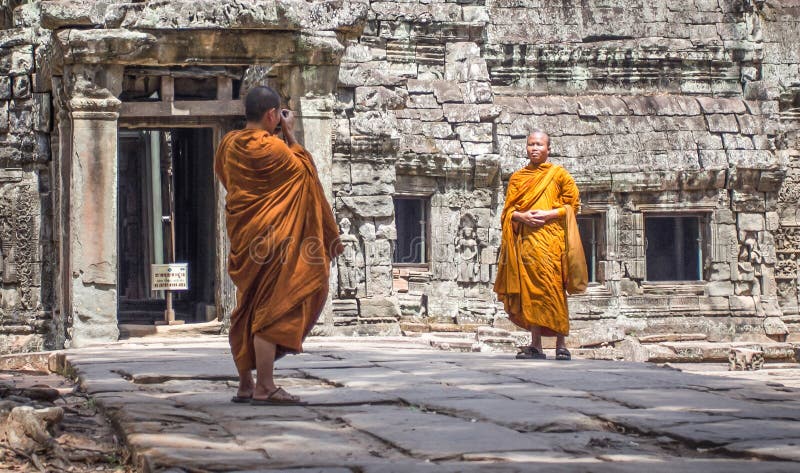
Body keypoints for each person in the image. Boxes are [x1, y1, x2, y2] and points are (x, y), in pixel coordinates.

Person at [214, 86, 343, 404]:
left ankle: (245, 383)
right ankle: (265, 386)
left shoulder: (228, 144)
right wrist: (291, 134)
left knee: (247, 305)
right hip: (275, 242)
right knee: (270, 310)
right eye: (278, 116)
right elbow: (306, 173)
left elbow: (228, 180)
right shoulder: (275, 149)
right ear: (272, 115)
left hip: (246, 238)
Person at [493, 130, 580, 361]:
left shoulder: (559, 175)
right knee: (530, 292)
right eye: (531, 144)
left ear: (548, 149)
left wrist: (548, 214)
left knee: (554, 291)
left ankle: (561, 345)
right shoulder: (518, 178)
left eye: (539, 145)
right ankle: (536, 345)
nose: (534, 148)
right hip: (527, 245)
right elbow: (508, 212)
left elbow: (573, 206)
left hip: (552, 243)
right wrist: (522, 217)